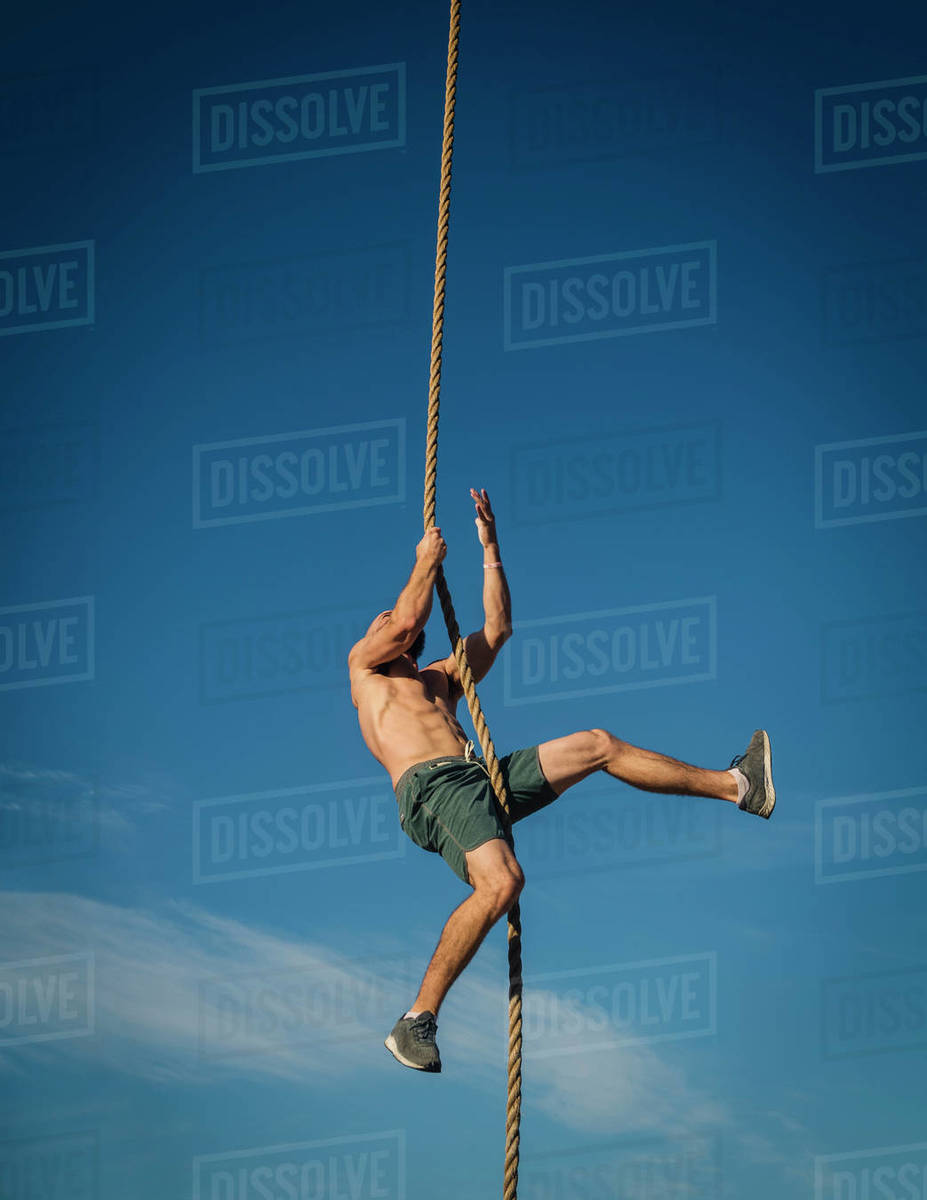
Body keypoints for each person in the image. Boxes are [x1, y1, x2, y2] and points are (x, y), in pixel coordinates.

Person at [348, 488, 775, 1073]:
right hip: (433, 790)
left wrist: (489, 546)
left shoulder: (441, 679)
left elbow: (497, 629)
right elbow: (401, 626)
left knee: (597, 744)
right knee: (501, 884)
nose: (384, 621)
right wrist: (424, 559)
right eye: (383, 619)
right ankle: (417, 1019)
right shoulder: (366, 667)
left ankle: (737, 786)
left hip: (479, 778)